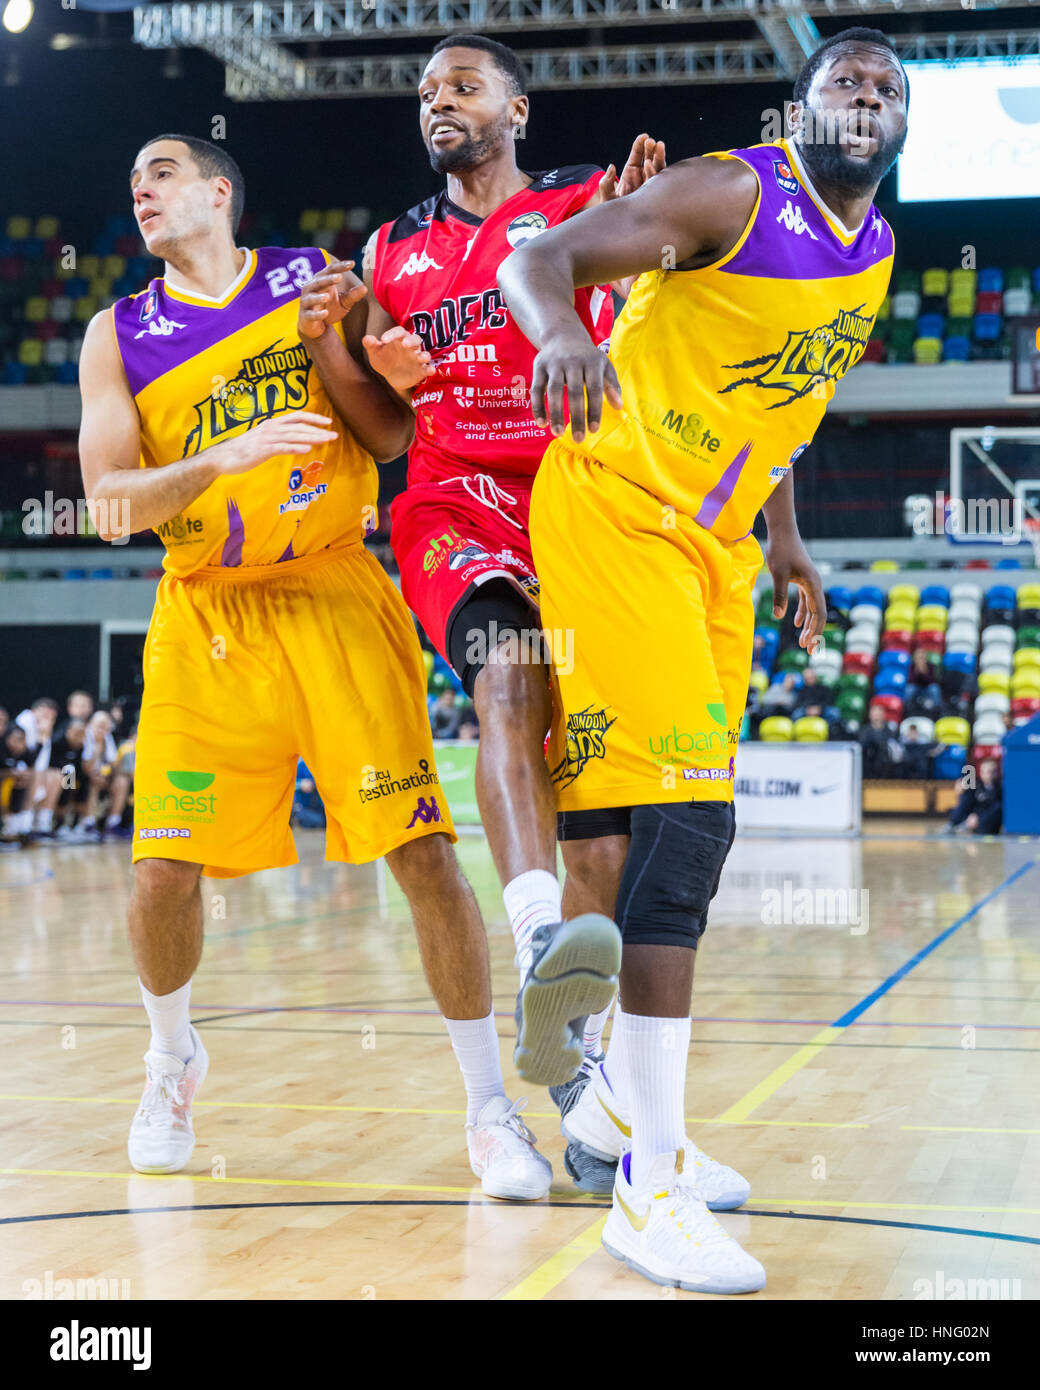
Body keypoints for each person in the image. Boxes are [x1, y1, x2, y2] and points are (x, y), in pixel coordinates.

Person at [498, 26, 904, 1291]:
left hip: (715, 547)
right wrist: (562, 334)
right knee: (689, 831)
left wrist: (785, 543)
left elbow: (780, 409)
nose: (864, 95)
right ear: (800, 109)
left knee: (620, 822)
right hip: (618, 503)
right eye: (842, 78)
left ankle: (616, 1108)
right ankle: (648, 1185)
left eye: (887, 88)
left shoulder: (876, 254)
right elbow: (538, 256)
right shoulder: (735, 191)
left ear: (899, 131)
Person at [78, 133, 552, 1201]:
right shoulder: (119, 335)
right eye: (133, 179)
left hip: (334, 588)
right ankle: (170, 1061)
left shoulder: (314, 282)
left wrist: (370, 358)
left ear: (217, 190)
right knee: (161, 868)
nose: (141, 189)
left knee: (424, 854)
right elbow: (110, 506)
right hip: (206, 615)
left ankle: (487, 1107)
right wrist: (220, 458)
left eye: (160, 172)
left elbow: (388, 438)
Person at [297, 32, 668, 1189]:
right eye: (423, 91)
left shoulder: (586, 204)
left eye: (460, 84)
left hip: (580, 496)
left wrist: (653, 223)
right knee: (507, 671)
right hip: (453, 499)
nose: (435, 102)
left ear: (516, 104)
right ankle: (533, 939)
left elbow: (682, 327)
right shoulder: (390, 249)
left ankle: (590, 1085)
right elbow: (385, 434)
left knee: (602, 803)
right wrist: (348, 357)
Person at [944, 757, 1002, 834]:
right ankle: (953, 824)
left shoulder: (1000, 789)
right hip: (971, 819)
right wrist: (961, 788)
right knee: (966, 797)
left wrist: (978, 819)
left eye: (994, 772)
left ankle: (968, 826)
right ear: (981, 773)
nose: (991, 775)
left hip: (988, 825)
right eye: (988, 772)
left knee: (998, 806)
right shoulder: (976, 786)